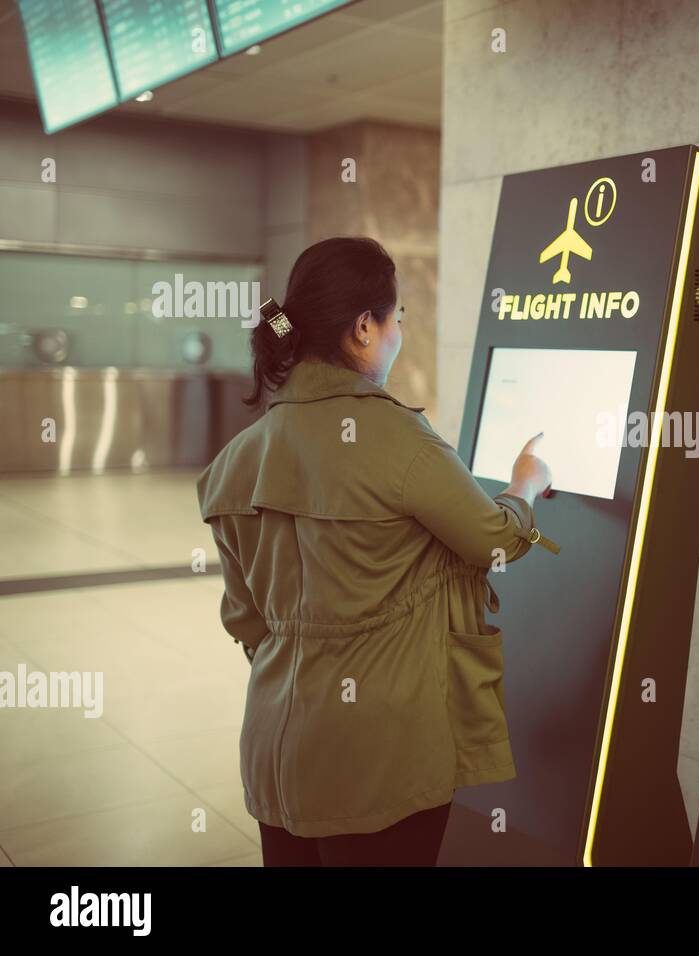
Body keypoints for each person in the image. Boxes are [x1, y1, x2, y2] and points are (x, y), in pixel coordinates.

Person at [197, 236, 555, 866]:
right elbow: (494, 541)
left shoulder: (237, 458)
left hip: (275, 747)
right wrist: (524, 485)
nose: (399, 335)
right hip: (379, 755)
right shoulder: (396, 436)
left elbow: (245, 619)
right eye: (399, 320)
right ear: (364, 328)